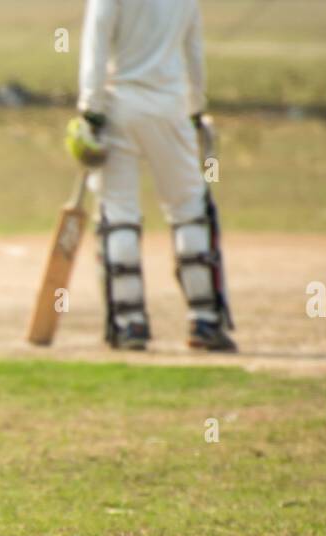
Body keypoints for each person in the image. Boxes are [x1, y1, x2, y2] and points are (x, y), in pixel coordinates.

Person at [67, 0, 235, 353]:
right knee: (189, 209)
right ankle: (205, 318)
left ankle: (130, 324)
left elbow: (95, 45)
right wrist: (195, 108)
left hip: (119, 106)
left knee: (119, 212)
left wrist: (91, 111)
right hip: (171, 107)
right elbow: (193, 50)